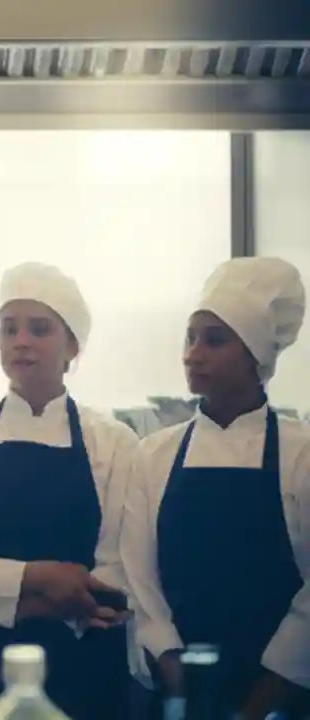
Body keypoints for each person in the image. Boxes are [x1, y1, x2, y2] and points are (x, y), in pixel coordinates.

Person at [0, 262, 137, 720]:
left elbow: (119, 564)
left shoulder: (112, 442)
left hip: (83, 664)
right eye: (9, 328)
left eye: (39, 329)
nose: (21, 341)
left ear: (72, 345)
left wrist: (32, 600)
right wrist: (45, 580)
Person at [122, 257, 310, 719]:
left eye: (214, 339)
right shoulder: (153, 455)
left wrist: (255, 707)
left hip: (281, 699)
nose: (192, 354)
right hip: (179, 697)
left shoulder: (301, 454)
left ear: (256, 356)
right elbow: (140, 585)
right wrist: (181, 682)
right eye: (190, 337)